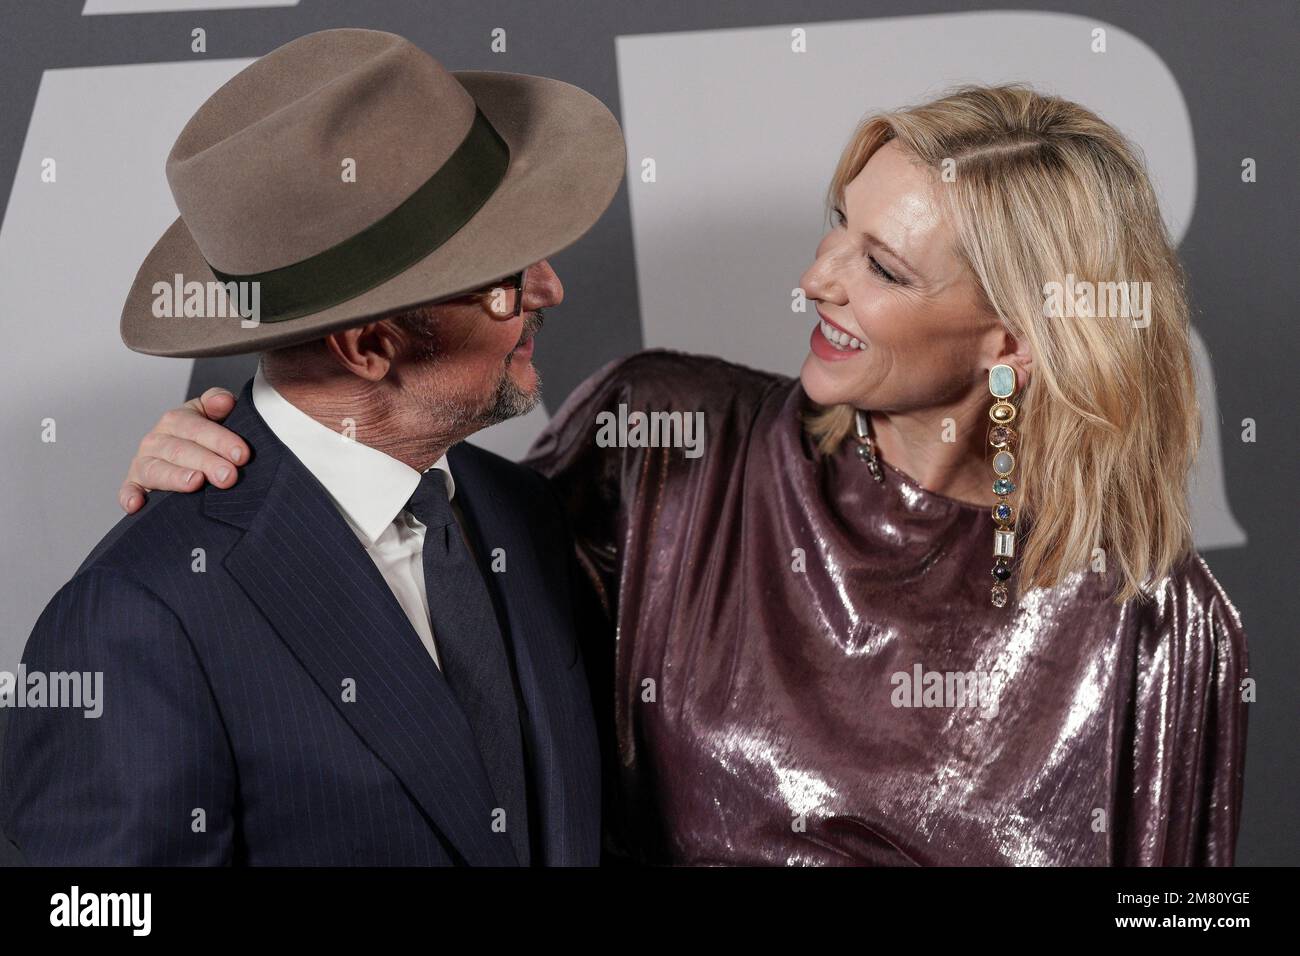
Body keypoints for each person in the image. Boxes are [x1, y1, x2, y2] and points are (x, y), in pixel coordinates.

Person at [111, 85, 1248, 865]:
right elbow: (420, 607)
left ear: (1011, 343)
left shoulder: (1155, 626)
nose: (814, 278)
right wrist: (265, 479)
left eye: (882, 266)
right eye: (834, 229)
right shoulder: (664, 442)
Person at [0, 28, 625, 865]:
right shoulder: (138, 619)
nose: (550, 287)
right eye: (504, 280)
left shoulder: (520, 512)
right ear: (369, 347)